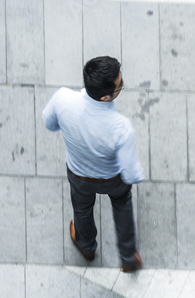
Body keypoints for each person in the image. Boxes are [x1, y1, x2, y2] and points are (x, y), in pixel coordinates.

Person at [42, 56, 145, 273]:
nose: (121, 86)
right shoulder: (121, 128)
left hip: (79, 175)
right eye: (120, 85)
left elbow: (49, 123)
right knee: (122, 206)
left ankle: (86, 246)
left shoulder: (62, 99)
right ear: (106, 97)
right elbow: (130, 175)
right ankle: (127, 258)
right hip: (113, 180)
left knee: (81, 209)